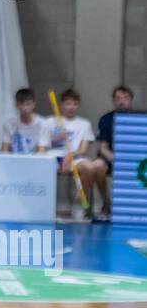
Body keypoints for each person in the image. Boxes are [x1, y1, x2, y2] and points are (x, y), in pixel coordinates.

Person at [45, 88, 106, 221]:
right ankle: (45, 207)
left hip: (75, 157)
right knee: (42, 168)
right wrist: (57, 138)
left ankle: (77, 204)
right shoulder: (50, 121)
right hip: (52, 157)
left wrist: (70, 155)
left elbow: (83, 148)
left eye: (74, 104)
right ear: (61, 104)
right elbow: (42, 144)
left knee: (90, 167)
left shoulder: (84, 124)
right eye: (68, 103)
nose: (71, 107)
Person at [95, 84, 135, 220]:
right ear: (113, 101)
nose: (121, 101)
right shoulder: (105, 119)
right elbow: (103, 147)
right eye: (118, 98)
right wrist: (115, 159)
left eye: (125, 98)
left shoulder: (139, 119)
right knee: (98, 166)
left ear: (131, 101)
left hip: (134, 160)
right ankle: (106, 203)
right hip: (111, 158)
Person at [0, 87, 49, 154]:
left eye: (28, 104)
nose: (24, 108)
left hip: (34, 161)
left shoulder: (42, 124)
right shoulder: (9, 124)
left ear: (34, 104)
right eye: (21, 104)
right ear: (16, 105)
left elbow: (41, 151)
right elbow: (4, 150)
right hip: (13, 161)